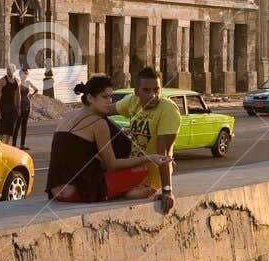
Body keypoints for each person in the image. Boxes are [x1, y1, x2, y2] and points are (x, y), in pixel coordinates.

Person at [45, 76, 161, 202]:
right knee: (141, 168)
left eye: (110, 97)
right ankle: (126, 192)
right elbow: (112, 165)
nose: (109, 101)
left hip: (56, 192)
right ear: (90, 98)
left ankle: (124, 191)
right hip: (77, 193)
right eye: (105, 97)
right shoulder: (98, 123)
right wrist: (149, 158)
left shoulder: (69, 115)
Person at [124, 66, 181, 214]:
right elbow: (105, 109)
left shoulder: (167, 109)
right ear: (136, 92)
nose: (153, 95)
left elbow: (163, 153)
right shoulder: (133, 102)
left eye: (156, 90)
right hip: (131, 172)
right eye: (147, 90)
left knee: (127, 194)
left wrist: (167, 190)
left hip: (148, 181)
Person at [0, 65, 21, 140]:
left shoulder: (17, 81)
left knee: (10, 129)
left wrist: (19, 108)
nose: (8, 71)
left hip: (13, 107)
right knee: (1, 128)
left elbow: (18, 95)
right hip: (3, 107)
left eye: (9, 69)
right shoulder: (2, 80)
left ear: (14, 70)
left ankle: (6, 144)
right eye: (7, 69)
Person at [11, 66, 33, 149]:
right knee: (17, 126)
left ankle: (22, 145)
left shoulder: (28, 82)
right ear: (20, 74)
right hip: (19, 107)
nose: (25, 75)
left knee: (24, 126)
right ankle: (13, 145)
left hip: (27, 106)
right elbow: (15, 95)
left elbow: (36, 89)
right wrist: (17, 107)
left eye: (26, 74)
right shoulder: (18, 82)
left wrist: (31, 96)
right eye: (23, 74)